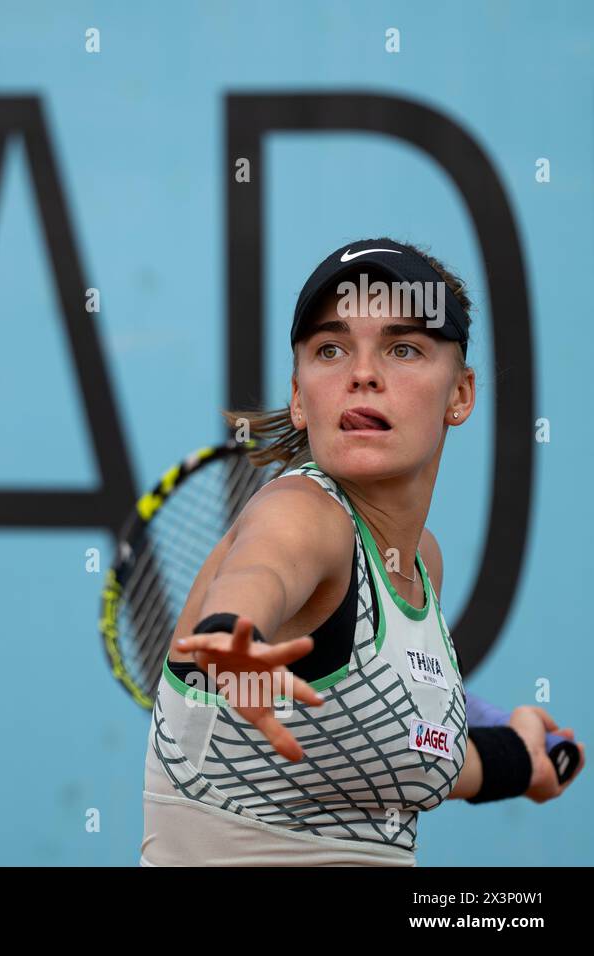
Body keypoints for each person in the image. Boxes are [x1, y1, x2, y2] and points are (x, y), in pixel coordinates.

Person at [140, 238, 584, 866]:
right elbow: (260, 570)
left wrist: (523, 757)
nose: (363, 372)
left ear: (460, 394)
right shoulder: (302, 513)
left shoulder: (420, 562)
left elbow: (402, 754)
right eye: (331, 349)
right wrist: (232, 634)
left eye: (402, 348)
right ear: (300, 397)